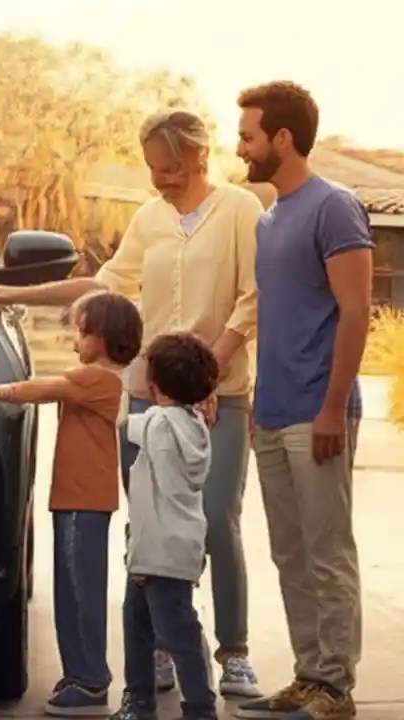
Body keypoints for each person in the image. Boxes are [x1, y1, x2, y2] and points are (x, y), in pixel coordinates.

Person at [0, 108, 265, 698]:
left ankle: (233, 652)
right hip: (148, 402)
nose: (161, 179)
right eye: (153, 168)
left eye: (171, 167)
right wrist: (11, 292)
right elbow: (102, 284)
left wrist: (205, 379)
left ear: (201, 155)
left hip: (219, 396)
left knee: (216, 522)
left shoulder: (239, 211)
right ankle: (157, 648)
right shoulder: (150, 219)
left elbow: (251, 300)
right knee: (148, 527)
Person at [233, 80, 369, 720]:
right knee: (290, 552)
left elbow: (355, 311)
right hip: (272, 411)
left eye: (249, 135)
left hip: (318, 411)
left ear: (282, 139)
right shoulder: (269, 219)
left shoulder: (334, 207)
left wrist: (332, 407)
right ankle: (308, 674)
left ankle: (336, 688)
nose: (241, 147)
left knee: (326, 550)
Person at [0, 291, 143, 717]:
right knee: (70, 585)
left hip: (84, 501)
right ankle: (79, 672)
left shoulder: (96, 379)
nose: (73, 340)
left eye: (80, 332)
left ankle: (90, 680)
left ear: (101, 337)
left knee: (79, 588)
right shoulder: (98, 378)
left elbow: (44, 388)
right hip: (76, 499)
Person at [110, 332, 220, 720]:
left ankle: (193, 708)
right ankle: (146, 701)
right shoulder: (196, 425)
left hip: (154, 550)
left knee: (167, 633)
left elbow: (123, 423)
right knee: (167, 626)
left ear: (155, 384)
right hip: (177, 546)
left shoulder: (157, 423)